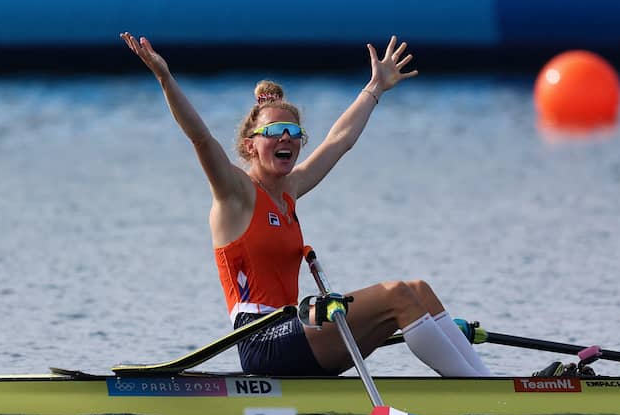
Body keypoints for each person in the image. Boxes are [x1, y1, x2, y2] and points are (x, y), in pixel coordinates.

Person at [120, 32, 491, 377]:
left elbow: (339, 141)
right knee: (397, 295)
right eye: (274, 132)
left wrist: (375, 87)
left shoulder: (290, 189)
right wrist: (165, 80)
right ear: (251, 144)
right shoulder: (235, 191)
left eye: (294, 132)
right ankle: (478, 394)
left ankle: (487, 384)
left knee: (419, 290)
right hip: (261, 342)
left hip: (297, 329)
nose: (287, 137)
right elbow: (201, 138)